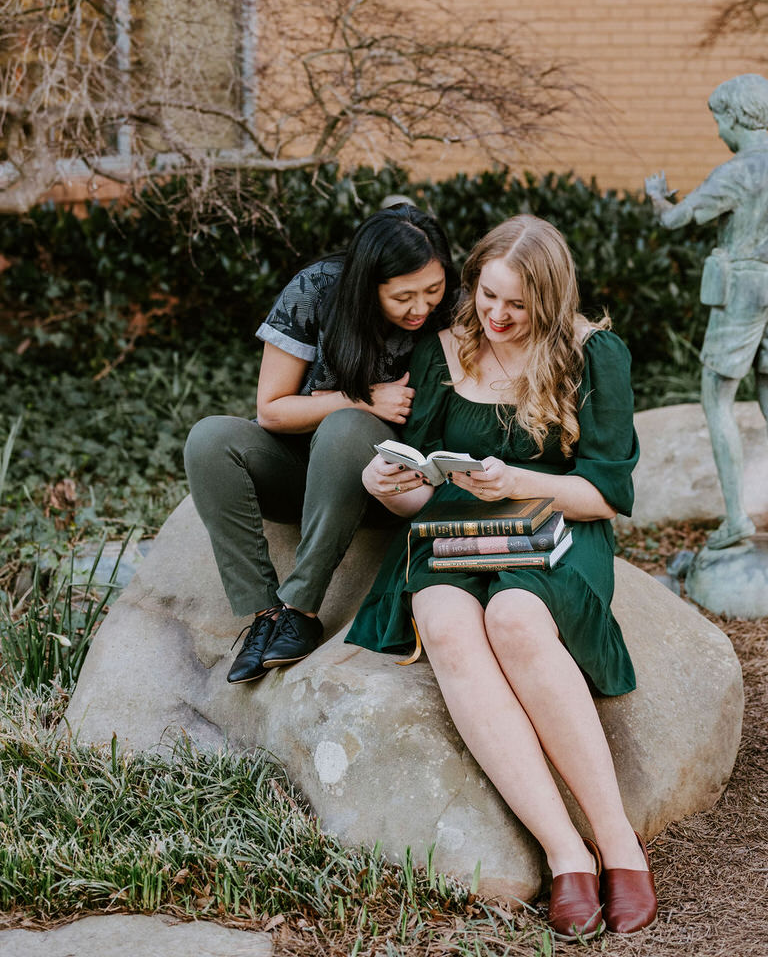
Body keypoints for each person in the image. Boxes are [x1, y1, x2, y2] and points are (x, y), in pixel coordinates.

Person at [346, 215, 657, 941]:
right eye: (488, 296)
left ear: (550, 301)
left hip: (555, 530)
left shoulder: (594, 355)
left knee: (514, 620)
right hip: (452, 532)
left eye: (517, 305)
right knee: (452, 626)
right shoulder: (443, 351)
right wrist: (387, 484)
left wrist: (517, 479)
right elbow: (423, 482)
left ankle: (616, 843)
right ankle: (566, 854)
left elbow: (605, 494)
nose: (497, 316)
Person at [184, 204, 458, 684]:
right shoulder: (316, 291)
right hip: (305, 475)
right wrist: (362, 397)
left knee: (347, 427)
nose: (421, 308)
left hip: (388, 488)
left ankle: (302, 609)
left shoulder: (455, 307)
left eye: (432, 290)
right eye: (403, 297)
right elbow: (272, 409)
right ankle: (266, 614)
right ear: (367, 285)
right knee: (210, 439)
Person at [646, 64, 768, 549]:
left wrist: (656, 197)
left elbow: (674, 220)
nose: (718, 130)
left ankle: (737, 519)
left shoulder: (734, 173)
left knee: (718, 401)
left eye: (719, 120)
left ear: (735, 118)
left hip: (743, 291)